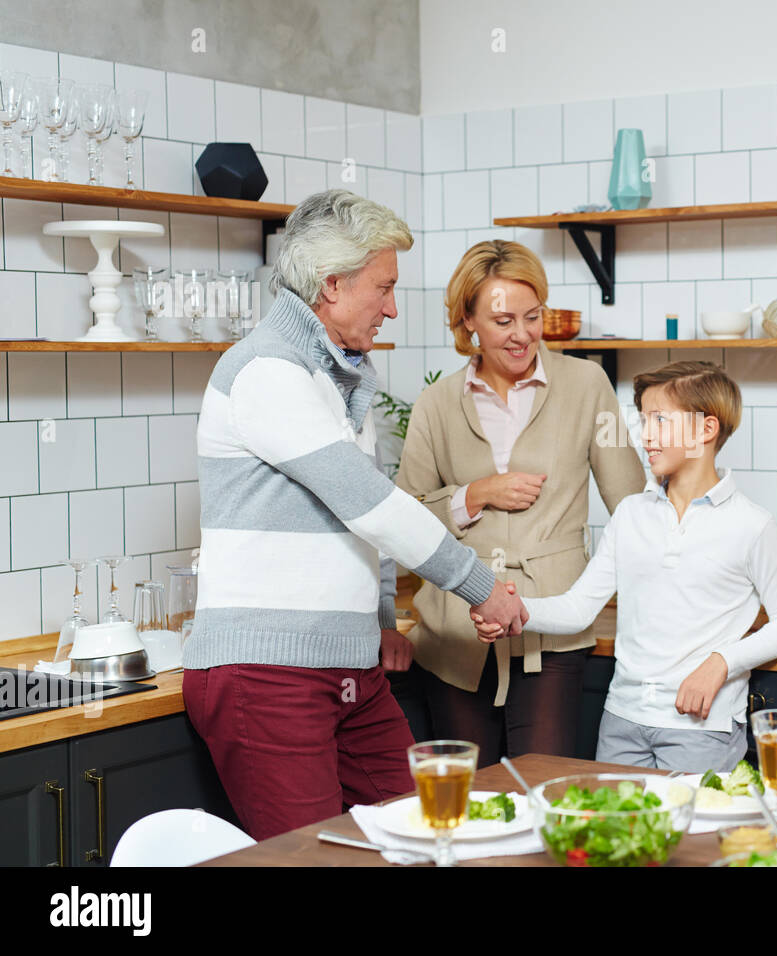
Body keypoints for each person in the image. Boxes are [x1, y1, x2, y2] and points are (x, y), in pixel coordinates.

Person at [183, 189, 526, 840]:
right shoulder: (267, 372)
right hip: (268, 675)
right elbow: (372, 505)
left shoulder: (333, 381)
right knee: (315, 860)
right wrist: (481, 587)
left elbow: (363, 519)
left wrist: (376, 622)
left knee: (428, 838)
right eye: (384, 288)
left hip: (348, 672)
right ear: (332, 285)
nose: (392, 308)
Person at [472, 361, 777, 772]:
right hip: (621, 722)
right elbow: (580, 607)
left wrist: (721, 662)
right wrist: (513, 608)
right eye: (645, 420)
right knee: (616, 835)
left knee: (692, 838)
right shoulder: (631, 514)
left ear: (706, 430)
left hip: (700, 728)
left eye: (661, 421)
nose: (646, 436)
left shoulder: (751, 525)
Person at [394, 239, 646, 765]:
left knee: (544, 791)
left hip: (551, 629)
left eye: (533, 317)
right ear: (468, 322)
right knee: (470, 803)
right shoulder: (436, 404)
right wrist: (474, 494)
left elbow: (633, 506)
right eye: (503, 320)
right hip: (455, 633)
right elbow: (403, 520)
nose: (522, 334)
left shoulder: (587, 385)